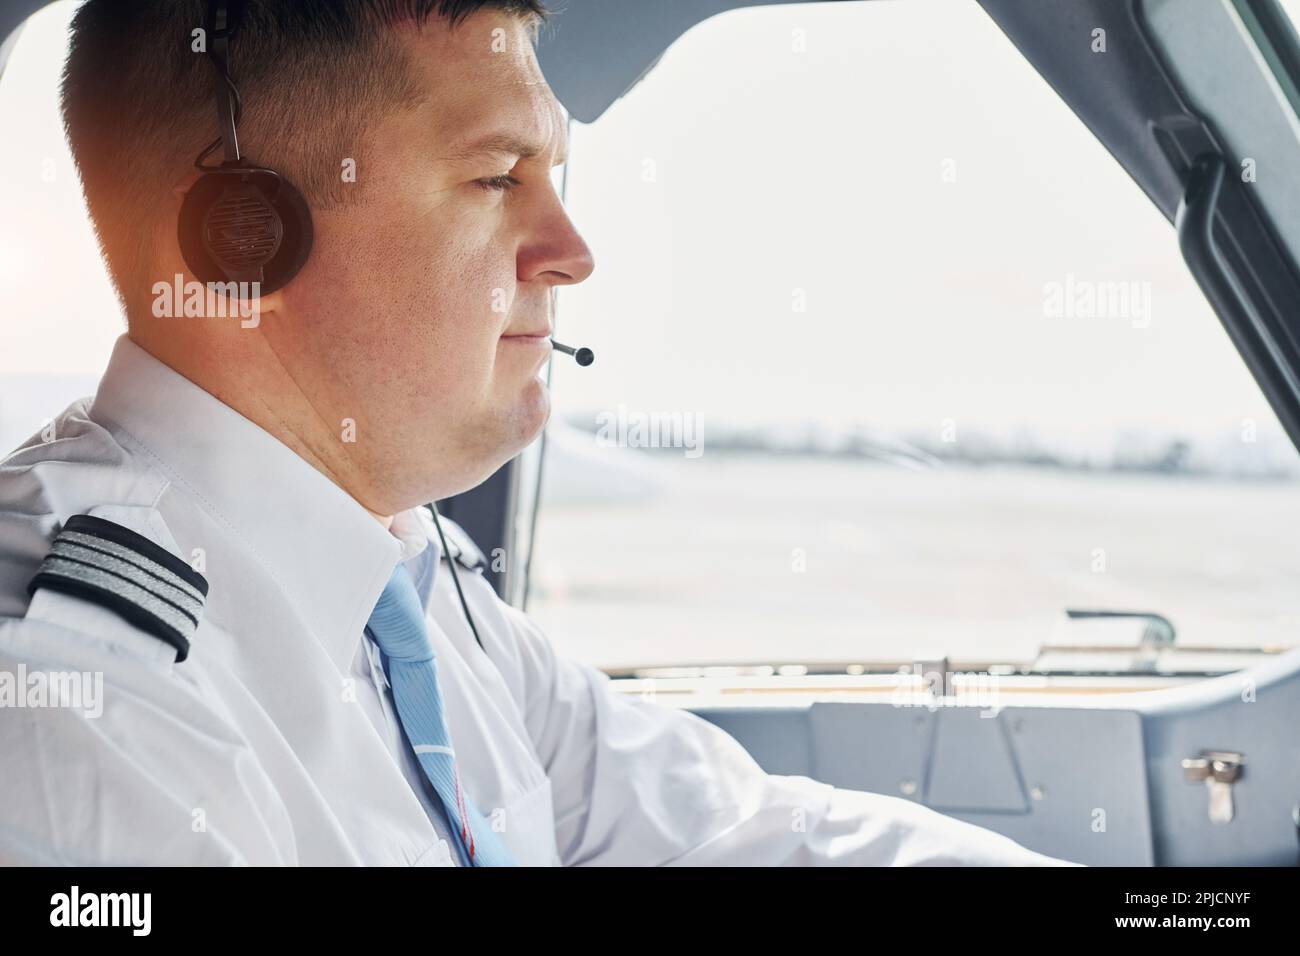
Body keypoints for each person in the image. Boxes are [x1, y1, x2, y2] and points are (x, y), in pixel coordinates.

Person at [0, 0, 1074, 866]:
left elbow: (727, 829)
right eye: (495, 177)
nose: (569, 250)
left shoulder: (412, 579)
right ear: (240, 240)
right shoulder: (80, 702)